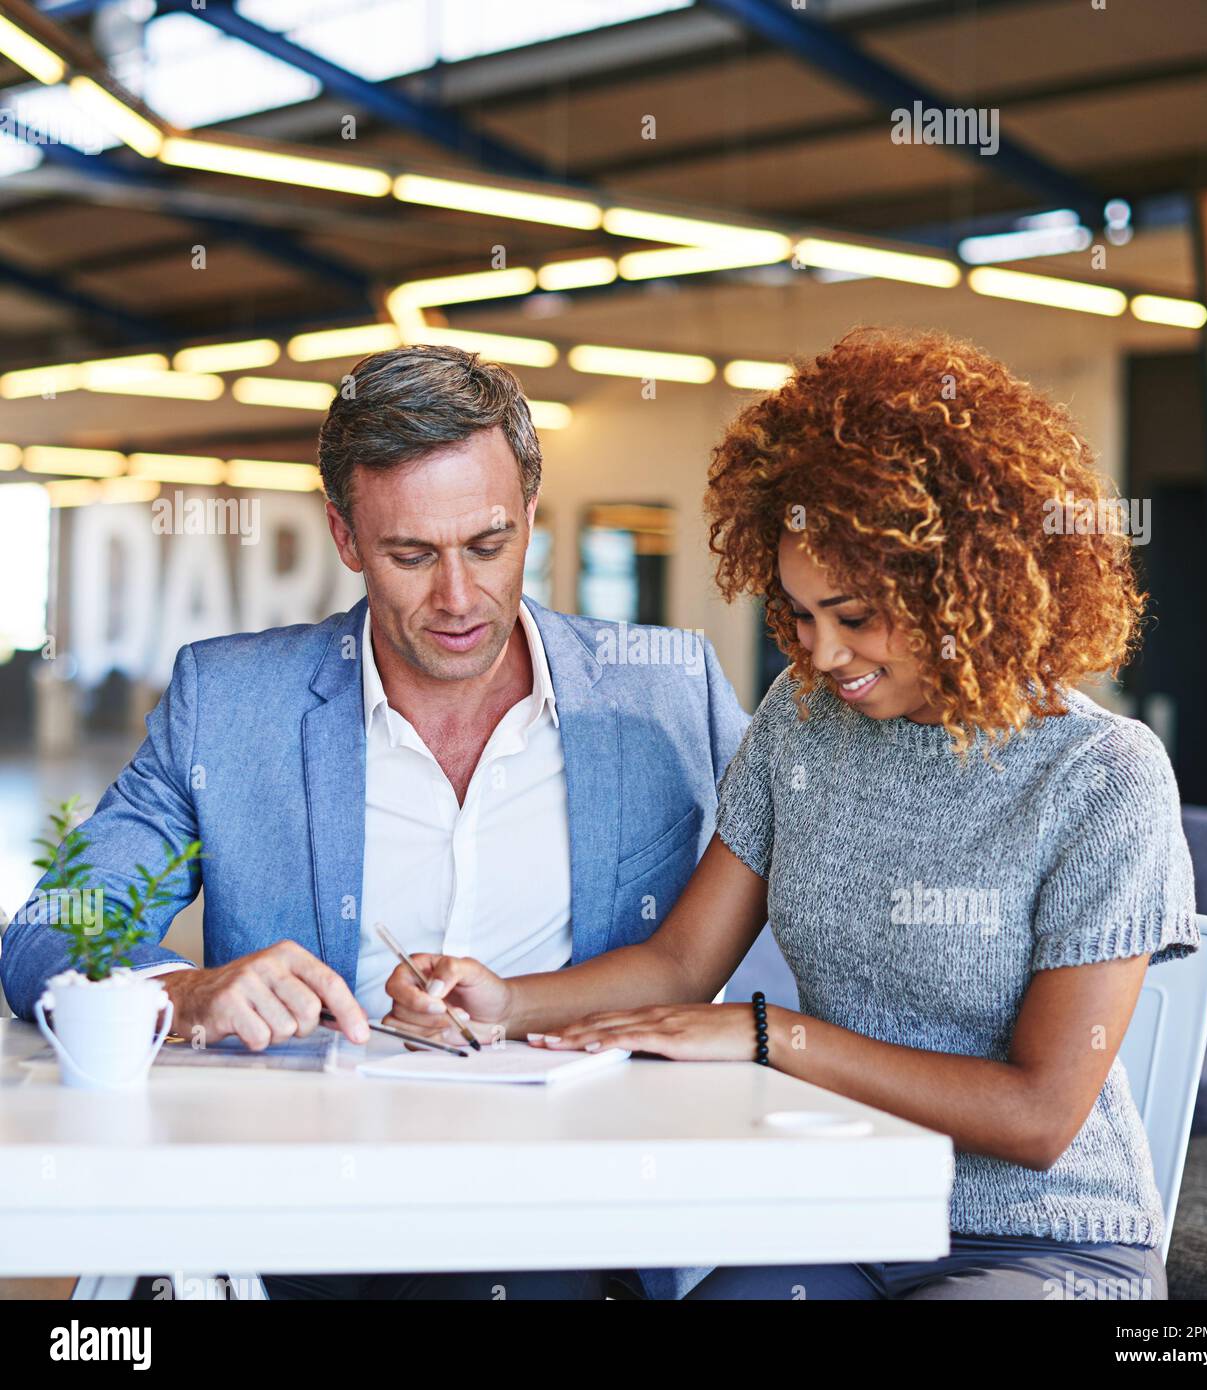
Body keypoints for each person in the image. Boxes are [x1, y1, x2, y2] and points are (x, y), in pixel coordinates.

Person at [385, 326, 1199, 1301]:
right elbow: (682, 962)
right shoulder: (803, 722)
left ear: (962, 584)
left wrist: (776, 1037)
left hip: (1039, 1240)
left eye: (854, 616)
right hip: (847, 1209)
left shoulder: (1101, 776)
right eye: (799, 615)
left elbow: (1038, 1116)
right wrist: (507, 999)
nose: (820, 654)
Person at [1, 344, 748, 1301]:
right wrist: (183, 996)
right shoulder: (230, 702)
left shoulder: (670, 691)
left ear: (528, 513)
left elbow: (787, 928)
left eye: (488, 545)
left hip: (573, 1194)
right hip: (298, 1197)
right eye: (410, 555)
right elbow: (44, 930)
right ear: (346, 538)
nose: (457, 599)